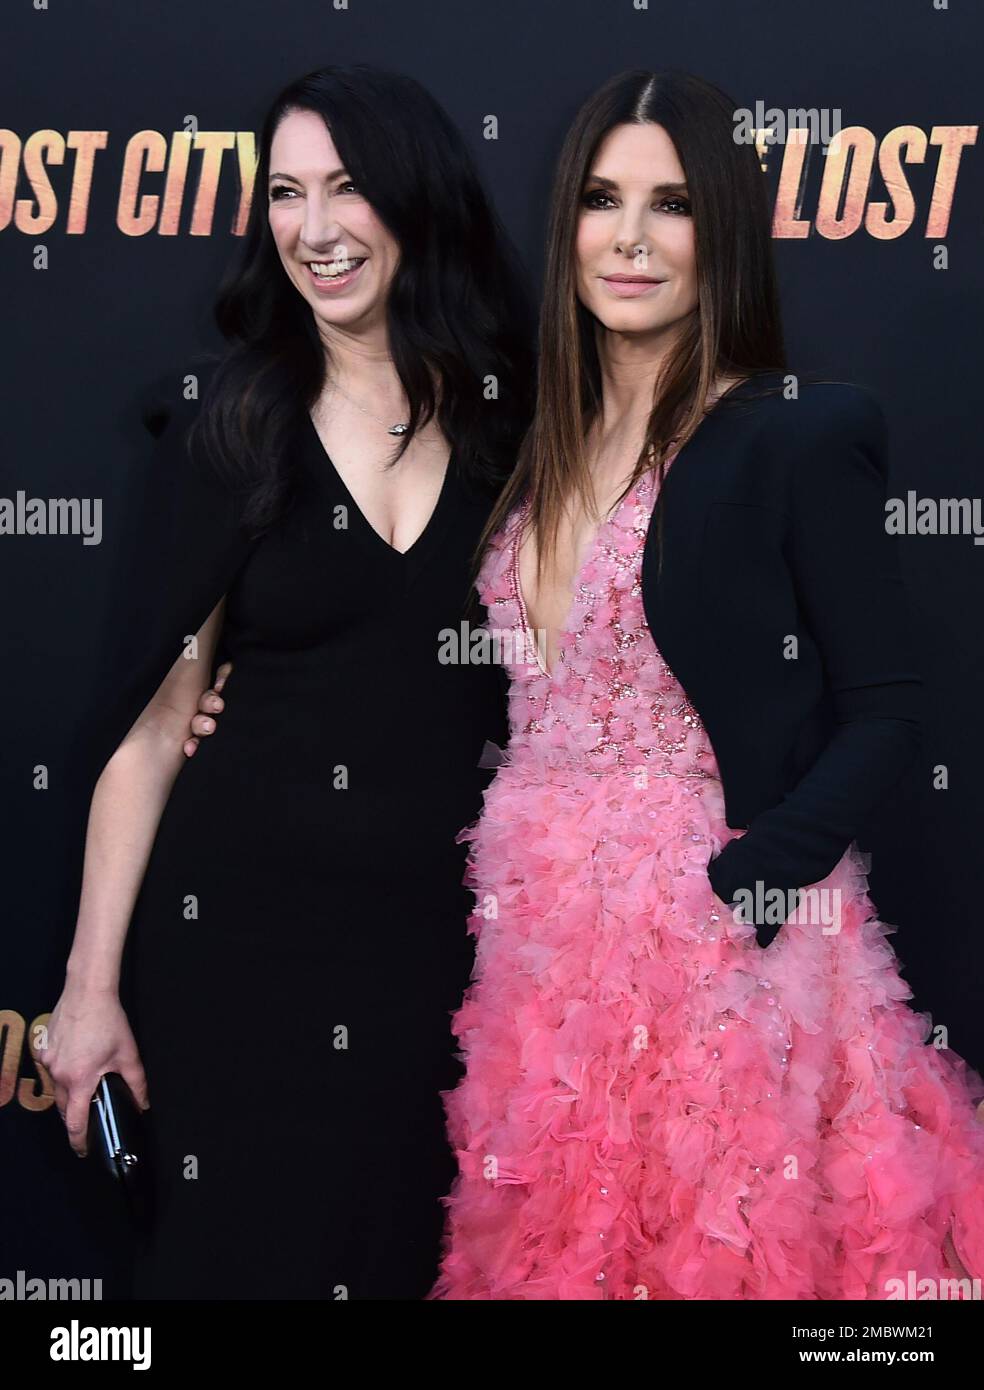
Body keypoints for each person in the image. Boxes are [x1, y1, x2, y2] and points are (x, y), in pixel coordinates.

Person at [423, 69, 984, 1300]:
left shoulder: (791, 431)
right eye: (602, 200)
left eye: (670, 204)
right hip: (545, 937)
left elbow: (891, 703)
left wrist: (752, 875)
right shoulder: (537, 451)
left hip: (725, 938)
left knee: (727, 1250)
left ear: (719, 228)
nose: (629, 239)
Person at [40, 64, 532, 1300]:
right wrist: (88, 993)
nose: (314, 229)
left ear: (414, 197)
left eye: (348, 188)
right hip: (234, 947)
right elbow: (154, 727)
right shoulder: (231, 418)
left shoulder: (511, 422)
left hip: (444, 959)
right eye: (286, 194)